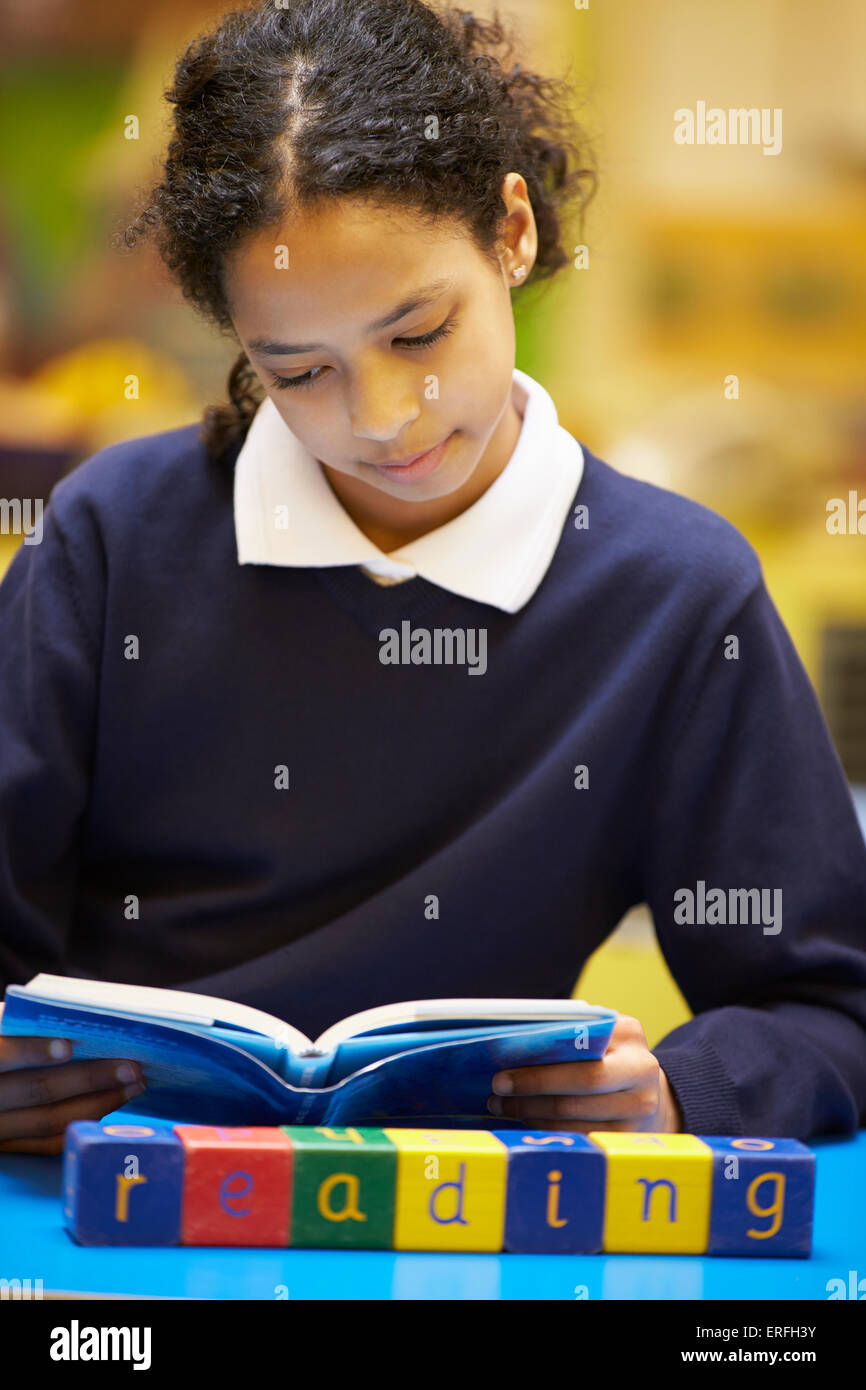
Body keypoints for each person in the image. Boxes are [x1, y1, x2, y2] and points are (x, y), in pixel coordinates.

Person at [1, 0, 864, 1155]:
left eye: (419, 334)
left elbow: (826, 1007)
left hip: (473, 1228)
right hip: (108, 1210)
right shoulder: (112, 539)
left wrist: (672, 1089)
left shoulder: (676, 597)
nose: (380, 421)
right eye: (299, 370)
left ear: (510, 230)